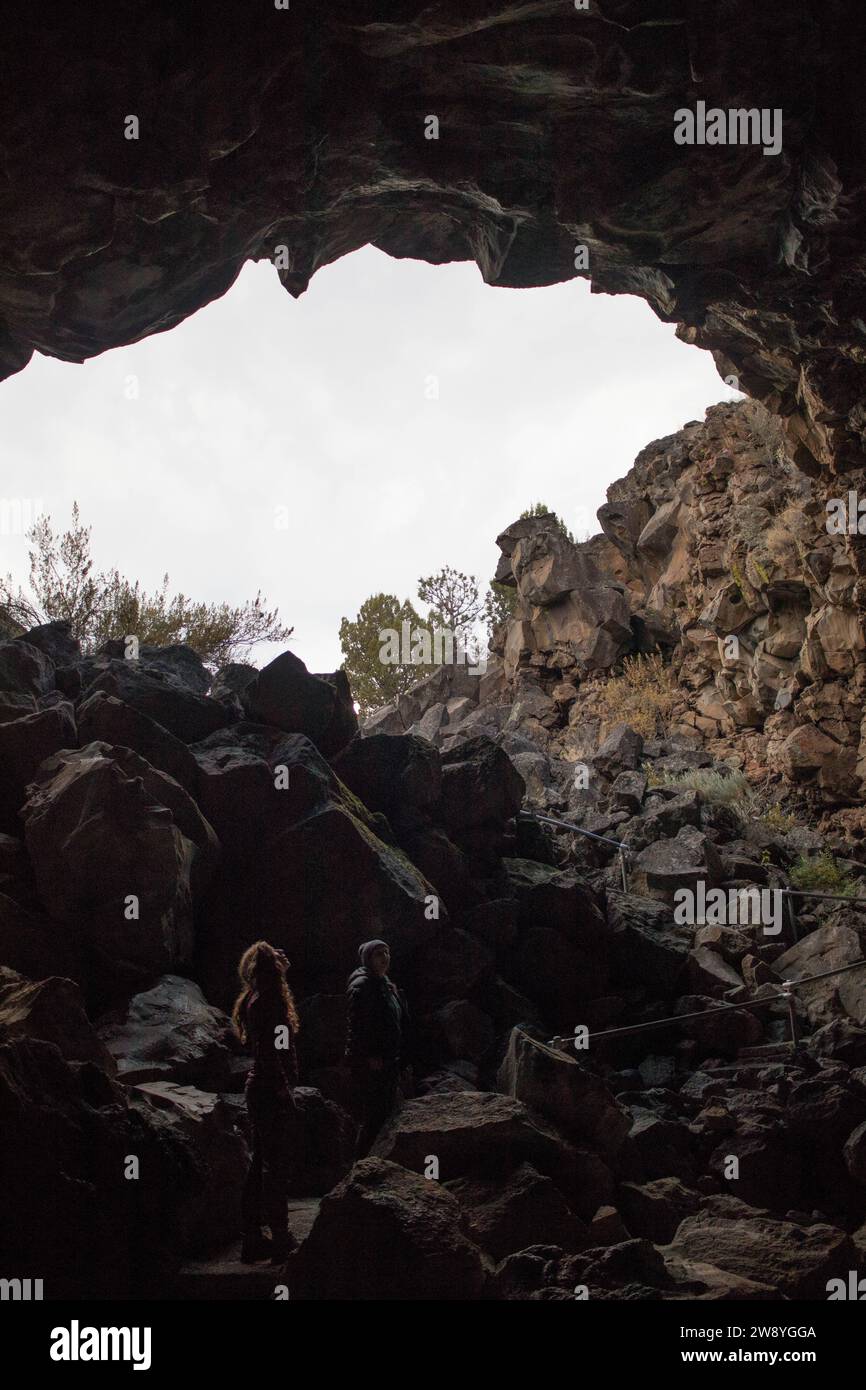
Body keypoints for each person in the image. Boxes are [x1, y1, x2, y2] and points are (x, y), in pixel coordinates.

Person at [232, 940, 300, 1263]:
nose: (283, 957)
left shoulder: (254, 997)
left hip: (258, 1087)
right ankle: (280, 1235)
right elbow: (276, 1047)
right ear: (272, 967)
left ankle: (252, 1239)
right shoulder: (271, 999)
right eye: (277, 956)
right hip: (268, 1089)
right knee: (275, 1166)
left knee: (260, 1162)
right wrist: (283, 1087)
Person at [345, 938, 409, 1156]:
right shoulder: (363, 986)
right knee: (374, 1117)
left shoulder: (384, 984)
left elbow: (397, 1020)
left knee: (387, 1113)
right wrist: (370, 1055)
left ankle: (378, 1160)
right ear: (368, 959)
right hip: (373, 1064)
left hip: (389, 1060)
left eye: (387, 952)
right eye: (379, 954)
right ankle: (360, 1165)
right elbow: (358, 1026)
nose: (385, 958)